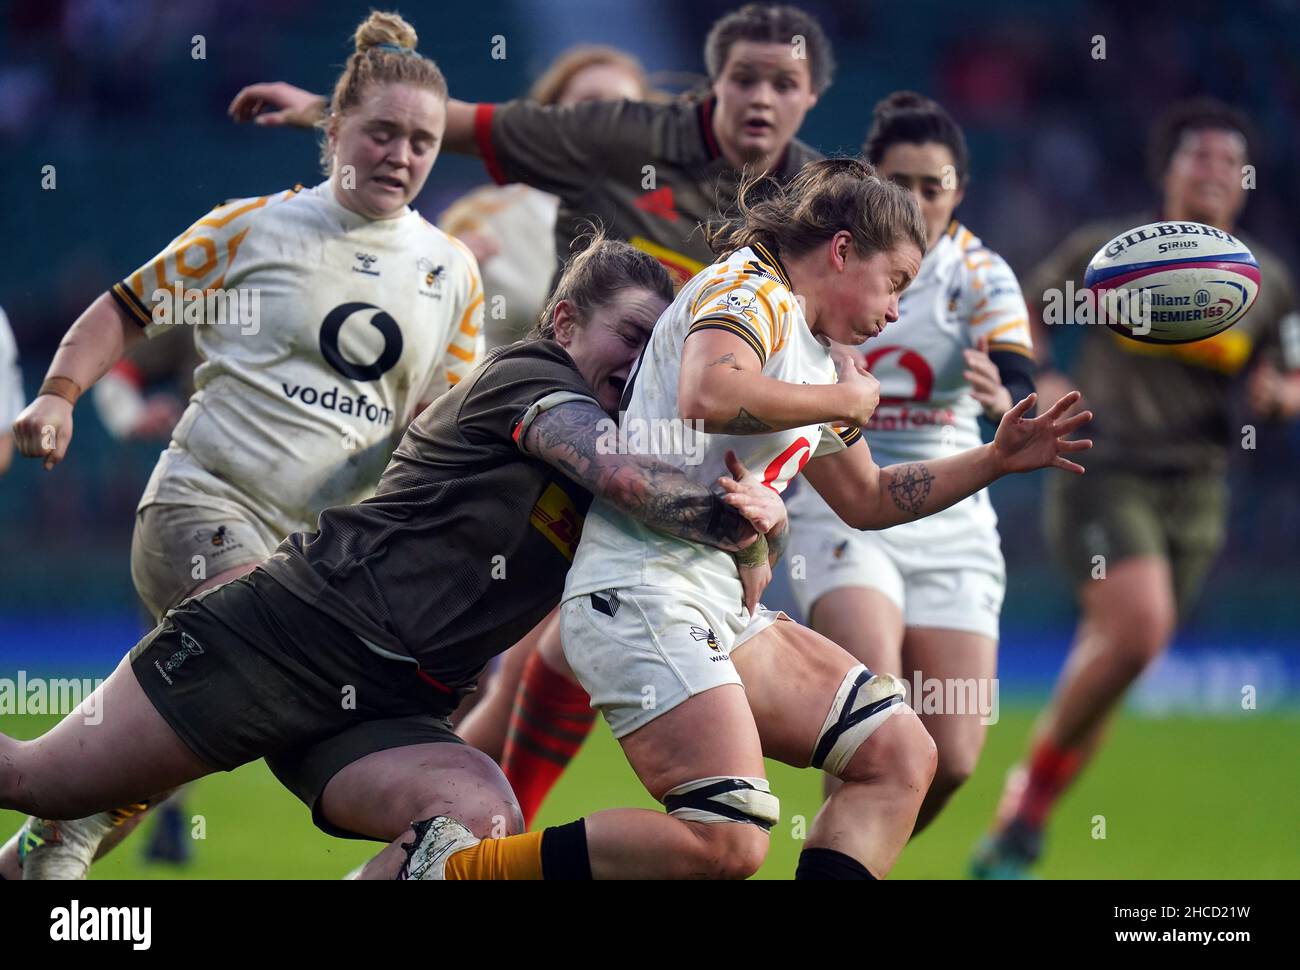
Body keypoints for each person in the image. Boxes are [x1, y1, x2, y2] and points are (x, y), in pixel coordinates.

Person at [0, 230, 793, 881]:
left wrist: (768, 524)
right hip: (283, 636)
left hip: (390, 702)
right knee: (33, 780)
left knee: (474, 826)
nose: (640, 360)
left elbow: (674, 516)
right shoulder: (531, 378)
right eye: (629, 334)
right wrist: (747, 527)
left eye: (658, 347)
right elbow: (622, 477)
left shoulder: (628, 434)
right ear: (562, 323)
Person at [228, 2, 840, 825]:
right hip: (567, 439)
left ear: (813, 96)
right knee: (526, 654)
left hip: (689, 469)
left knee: (545, 656)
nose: (762, 97)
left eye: (786, 82)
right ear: (711, 82)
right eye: (746, 78)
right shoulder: (627, 138)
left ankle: (457, 842)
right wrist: (329, 114)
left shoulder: (808, 206)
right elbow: (485, 126)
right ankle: (453, 834)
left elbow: (857, 288)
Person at [397, 159, 1094, 881]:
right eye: (896, 284)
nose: (895, 312)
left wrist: (996, 457)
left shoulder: (821, 356)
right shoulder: (749, 287)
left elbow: (871, 498)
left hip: (719, 603)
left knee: (902, 757)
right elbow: (709, 392)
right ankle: (454, 872)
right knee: (728, 839)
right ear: (843, 250)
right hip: (641, 593)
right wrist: (844, 405)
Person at [3, 10, 485, 880]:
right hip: (202, 506)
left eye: (423, 141)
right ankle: (55, 819)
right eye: (381, 133)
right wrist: (60, 395)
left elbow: (444, 427)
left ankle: (50, 842)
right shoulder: (252, 227)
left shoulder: (452, 271)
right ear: (332, 130)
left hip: (321, 559)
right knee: (247, 670)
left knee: (194, 717)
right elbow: (126, 307)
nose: (402, 155)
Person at [972, 97, 1300, 878]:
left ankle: (1024, 822)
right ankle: (1023, 804)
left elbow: (1291, 372)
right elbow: (1022, 314)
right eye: (1199, 157)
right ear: (1169, 170)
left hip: (1200, 488)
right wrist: (1039, 376)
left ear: (1246, 180)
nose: (1214, 172)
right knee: (1140, 630)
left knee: (1120, 660)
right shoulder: (1109, 253)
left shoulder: (1269, 282)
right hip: (1101, 467)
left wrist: (1280, 398)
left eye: (1229, 161)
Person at [784, 93, 1035, 833]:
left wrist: (1005, 395)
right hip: (843, 505)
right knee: (880, 722)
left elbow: (1018, 378)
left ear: (960, 189)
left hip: (948, 511)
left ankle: (842, 856)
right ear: (870, 181)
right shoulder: (832, 260)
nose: (920, 201)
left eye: (936, 185)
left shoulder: (980, 275)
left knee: (950, 759)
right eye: (903, 183)